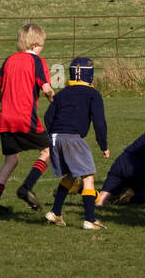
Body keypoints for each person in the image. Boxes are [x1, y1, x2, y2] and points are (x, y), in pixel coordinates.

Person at [0, 22, 55, 215]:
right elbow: (47, 88)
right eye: (42, 45)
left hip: (5, 119)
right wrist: (53, 99)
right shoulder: (38, 62)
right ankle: (26, 187)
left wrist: (8, 102)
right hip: (25, 118)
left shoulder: (9, 60)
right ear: (35, 45)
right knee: (48, 151)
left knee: (11, 160)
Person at [42, 57, 110, 230]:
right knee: (88, 177)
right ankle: (90, 219)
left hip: (55, 137)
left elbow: (48, 117)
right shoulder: (93, 94)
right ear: (90, 75)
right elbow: (99, 122)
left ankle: (55, 213)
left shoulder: (63, 93)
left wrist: (54, 135)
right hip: (72, 138)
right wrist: (104, 145)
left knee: (72, 175)